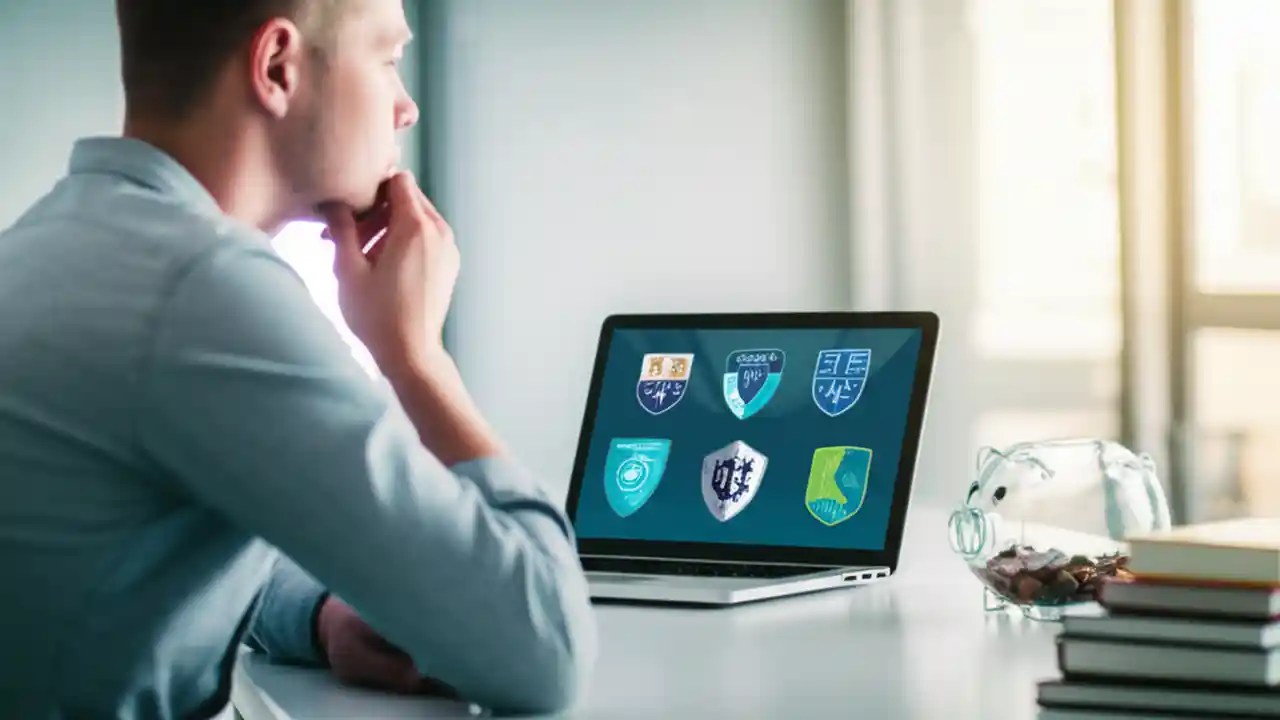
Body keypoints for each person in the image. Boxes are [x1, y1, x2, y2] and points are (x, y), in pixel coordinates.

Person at [0, 0, 596, 717]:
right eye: (386, 58)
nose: (405, 108)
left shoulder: (59, 243)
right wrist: (416, 358)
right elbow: (542, 649)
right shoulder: (203, 287)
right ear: (277, 66)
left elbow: (143, 548)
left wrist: (319, 615)